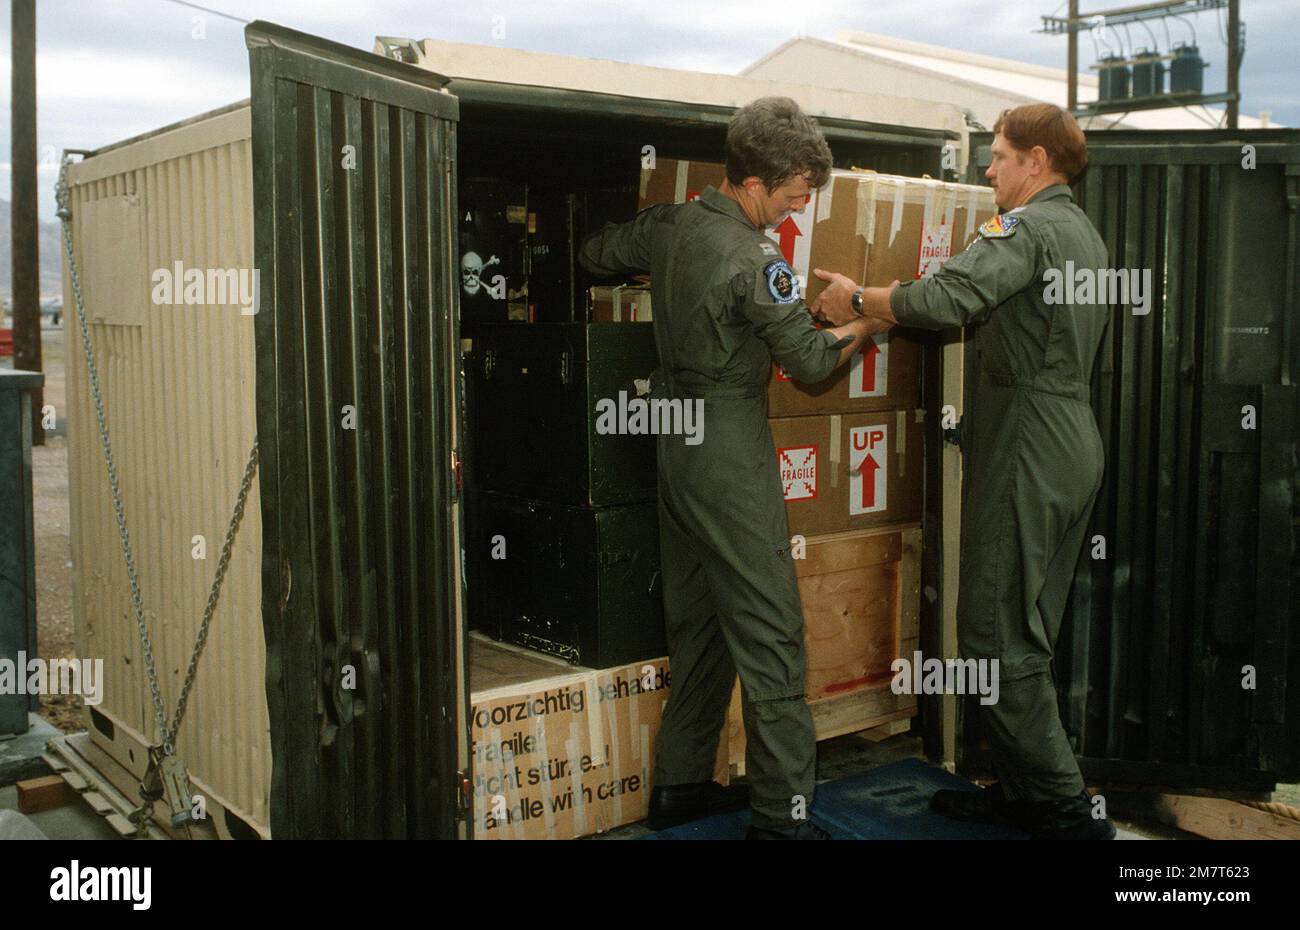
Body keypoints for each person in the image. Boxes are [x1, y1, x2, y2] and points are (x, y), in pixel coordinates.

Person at [579, 97, 884, 840]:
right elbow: (811, 365)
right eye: (797, 192)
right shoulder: (758, 260)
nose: (800, 206)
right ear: (760, 181)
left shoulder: (674, 224)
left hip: (672, 439)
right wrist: (869, 321)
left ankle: (681, 788)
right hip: (725, 446)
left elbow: (596, 253)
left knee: (702, 625)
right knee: (773, 631)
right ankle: (784, 818)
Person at [812, 103, 1114, 840]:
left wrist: (858, 298)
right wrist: (888, 316)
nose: (989, 168)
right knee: (1027, 626)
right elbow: (986, 310)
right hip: (1067, 439)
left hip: (1026, 448)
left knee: (993, 632)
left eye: (1001, 155)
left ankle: (1068, 806)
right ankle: (1026, 793)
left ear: (1036, 163)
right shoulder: (1084, 236)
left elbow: (954, 294)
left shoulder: (1026, 228)